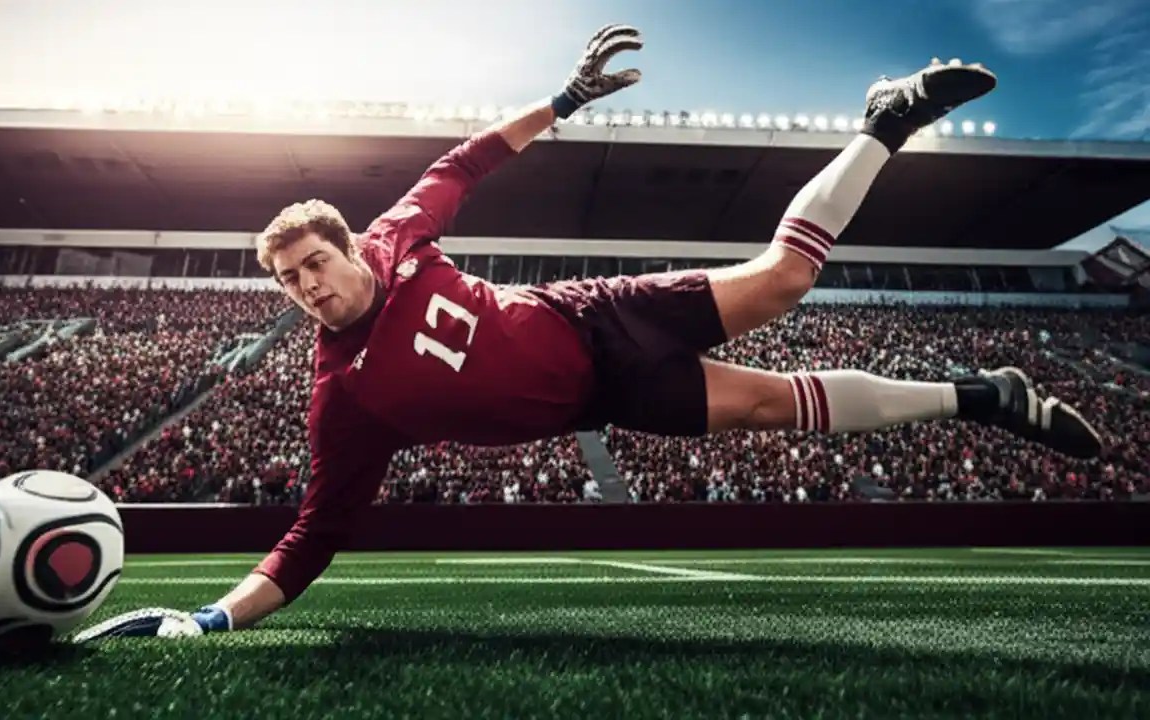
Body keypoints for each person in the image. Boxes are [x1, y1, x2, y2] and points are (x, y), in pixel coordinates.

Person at [75, 24, 1101, 642]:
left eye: (313, 265)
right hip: (603, 397)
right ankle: (986, 395)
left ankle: (884, 118)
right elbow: (314, 534)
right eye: (289, 282)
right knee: (771, 407)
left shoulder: (396, 235)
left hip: (592, 313)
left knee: (783, 281)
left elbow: (466, 161)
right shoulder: (343, 397)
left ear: (346, 248)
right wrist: (210, 618)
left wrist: (562, 99)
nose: (306, 288)